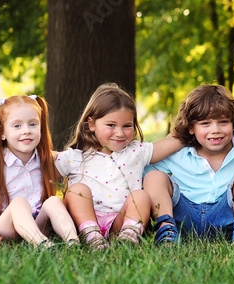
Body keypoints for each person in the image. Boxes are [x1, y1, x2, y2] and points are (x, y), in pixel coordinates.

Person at [143, 84, 234, 244]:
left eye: (223, 122)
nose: (215, 129)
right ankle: (166, 230)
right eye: (205, 123)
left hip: (226, 219)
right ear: (191, 128)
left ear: (233, 123)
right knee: (153, 177)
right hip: (183, 219)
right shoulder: (177, 151)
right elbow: (138, 173)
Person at [57, 84, 182, 249]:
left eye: (127, 126)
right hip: (82, 222)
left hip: (120, 222)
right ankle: (93, 238)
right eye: (111, 125)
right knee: (77, 190)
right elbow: (41, 168)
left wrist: (194, 122)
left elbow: (168, 143)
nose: (120, 133)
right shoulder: (74, 156)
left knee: (141, 196)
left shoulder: (136, 151)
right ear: (92, 124)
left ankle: (128, 238)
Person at [0, 95, 79, 248]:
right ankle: (43, 245)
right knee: (19, 203)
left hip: (39, 223)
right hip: (8, 229)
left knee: (54, 201)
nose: (27, 131)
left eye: (33, 124)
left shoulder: (45, 160)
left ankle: (72, 241)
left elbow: (75, 158)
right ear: (2, 132)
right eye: (17, 126)